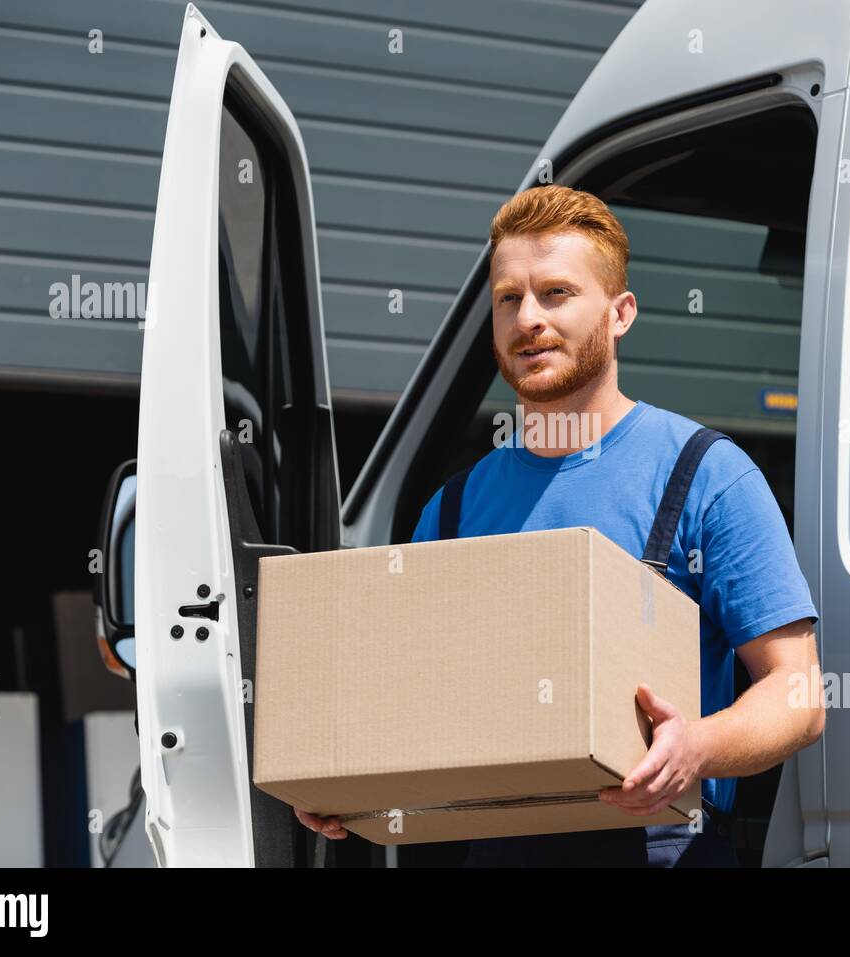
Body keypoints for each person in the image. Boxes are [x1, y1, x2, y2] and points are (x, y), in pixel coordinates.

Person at [297, 184, 822, 866]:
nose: (528, 319)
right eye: (509, 298)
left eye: (556, 293)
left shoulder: (706, 476)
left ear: (621, 311)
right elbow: (412, 701)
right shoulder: (451, 511)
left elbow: (799, 691)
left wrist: (696, 746)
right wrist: (343, 775)